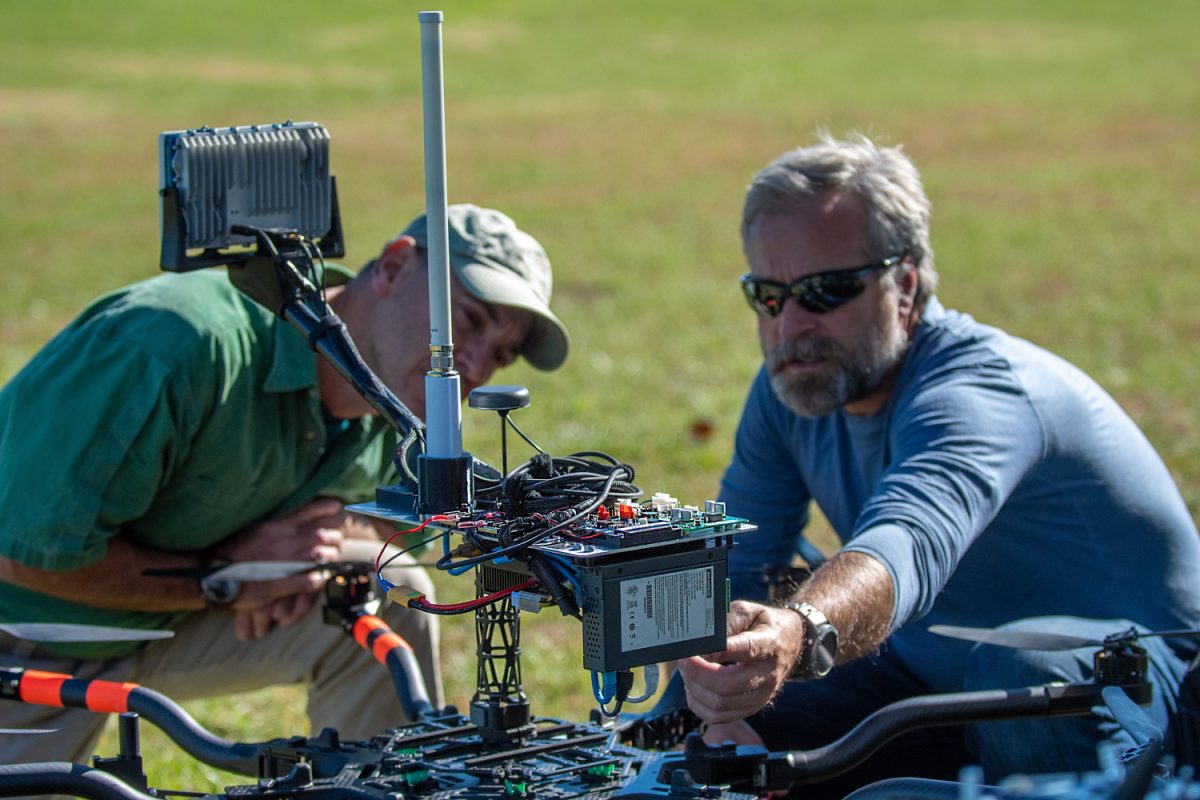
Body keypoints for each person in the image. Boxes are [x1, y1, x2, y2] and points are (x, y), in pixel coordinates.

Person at [676, 134, 1200, 793]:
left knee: (1020, 679)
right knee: (690, 705)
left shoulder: (980, 394)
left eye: (826, 291)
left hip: (1146, 683)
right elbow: (743, 560)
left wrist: (801, 628)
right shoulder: (793, 384)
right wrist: (717, 675)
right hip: (935, 671)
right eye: (770, 296)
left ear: (906, 287)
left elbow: (907, 543)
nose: (790, 328)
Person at [0, 203, 570, 765]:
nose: (472, 365)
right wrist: (226, 581)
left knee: (388, 585)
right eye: (466, 319)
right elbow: (22, 552)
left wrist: (317, 540)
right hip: (29, 629)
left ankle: (377, 784)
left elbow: (389, 522)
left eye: (501, 354)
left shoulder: (402, 407)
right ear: (394, 267)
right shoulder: (173, 345)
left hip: (163, 624)